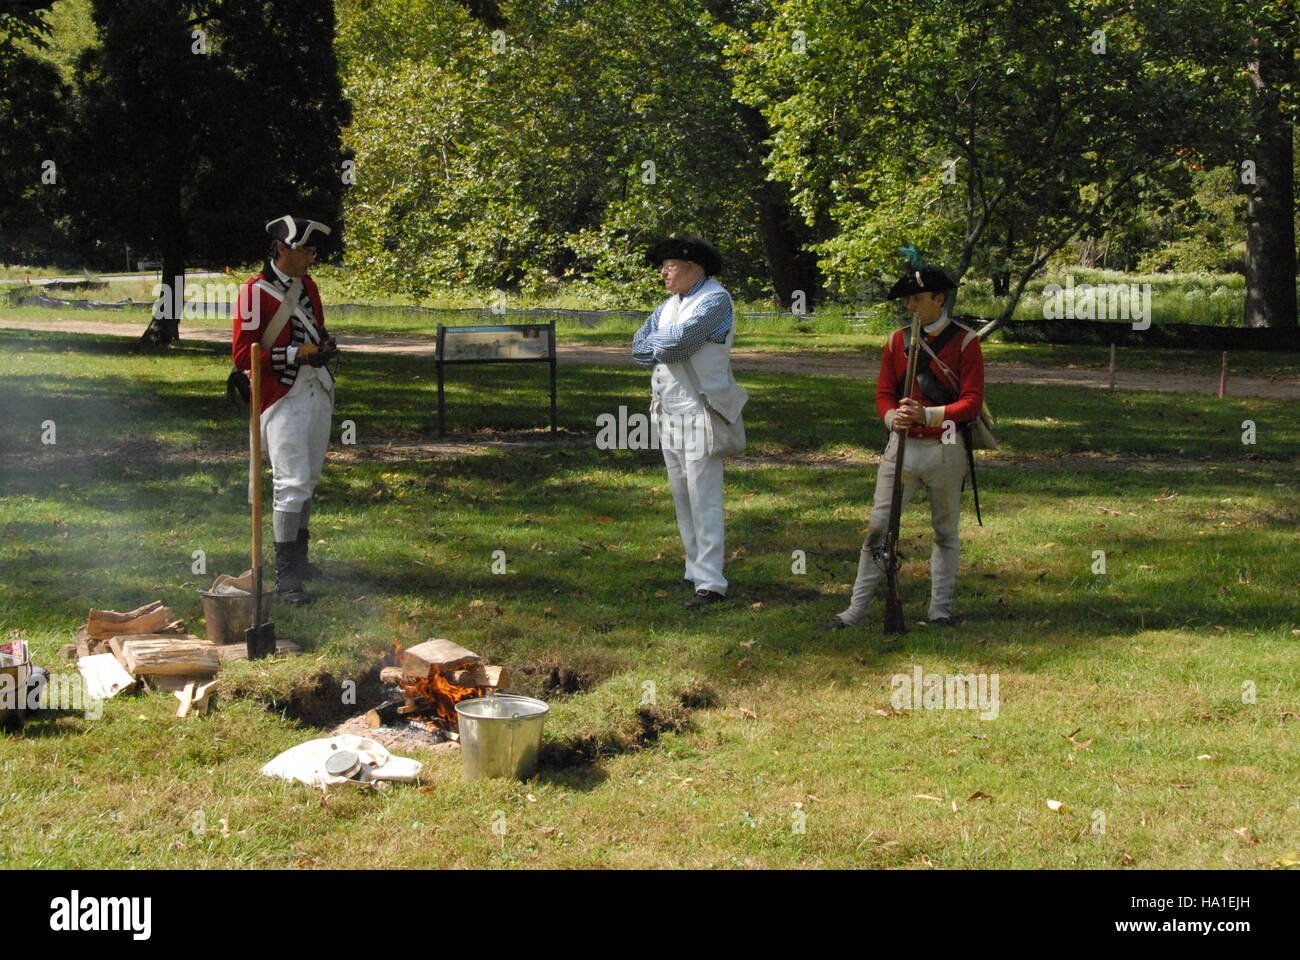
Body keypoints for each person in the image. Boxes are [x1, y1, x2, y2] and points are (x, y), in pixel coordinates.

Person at [827, 262, 985, 630]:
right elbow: (884, 394)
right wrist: (891, 419)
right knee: (879, 529)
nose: (910, 307)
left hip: (945, 445)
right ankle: (857, 609)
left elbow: (972, 402)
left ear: (939, 298)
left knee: (945, 531)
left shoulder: (966, 341)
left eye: (917, 299)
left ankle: (939, 610)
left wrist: (927, 415)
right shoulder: (898, 341)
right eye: (908, 300)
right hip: (901, 445)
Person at [633, 235, 745, 610]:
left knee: (704, 496)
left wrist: (660, 341)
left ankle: (712, 581)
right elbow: (638, 347)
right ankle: (695, 570)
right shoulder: (669, 305)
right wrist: (661, 341)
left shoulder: (715, 299)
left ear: (693, 268)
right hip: (669, 411)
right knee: (682, 495)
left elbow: (676, 346)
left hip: (701, 411)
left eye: (670, 265)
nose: (663, 272)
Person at [232, 215, 339, 605]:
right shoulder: (253, 293)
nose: (311, 258)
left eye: (313, 251)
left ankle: (302, 560)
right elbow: (243, 355)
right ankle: (286, 574)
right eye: (305, 250)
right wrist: (297, 353)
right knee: (290, 484)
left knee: (308, 480)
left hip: (316, 388)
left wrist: (323, 345)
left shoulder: (308, 286)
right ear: (281, 248)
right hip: (282, 395)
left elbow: (317, 329)